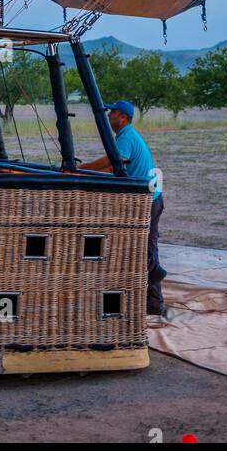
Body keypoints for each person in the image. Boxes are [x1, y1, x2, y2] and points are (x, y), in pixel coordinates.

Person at [78, 99, 165, 316]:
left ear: (123, 117)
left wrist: (83, 169)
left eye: (112, 112)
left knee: (142, 250)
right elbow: (115, 169)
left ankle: (151, 294)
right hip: (151, 198)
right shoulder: (127, 135)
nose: (109, 116)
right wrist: (89, 171)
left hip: (146, 200)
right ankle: (153, 303)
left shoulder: (126, 136)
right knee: (147, 248)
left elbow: (114, 162)